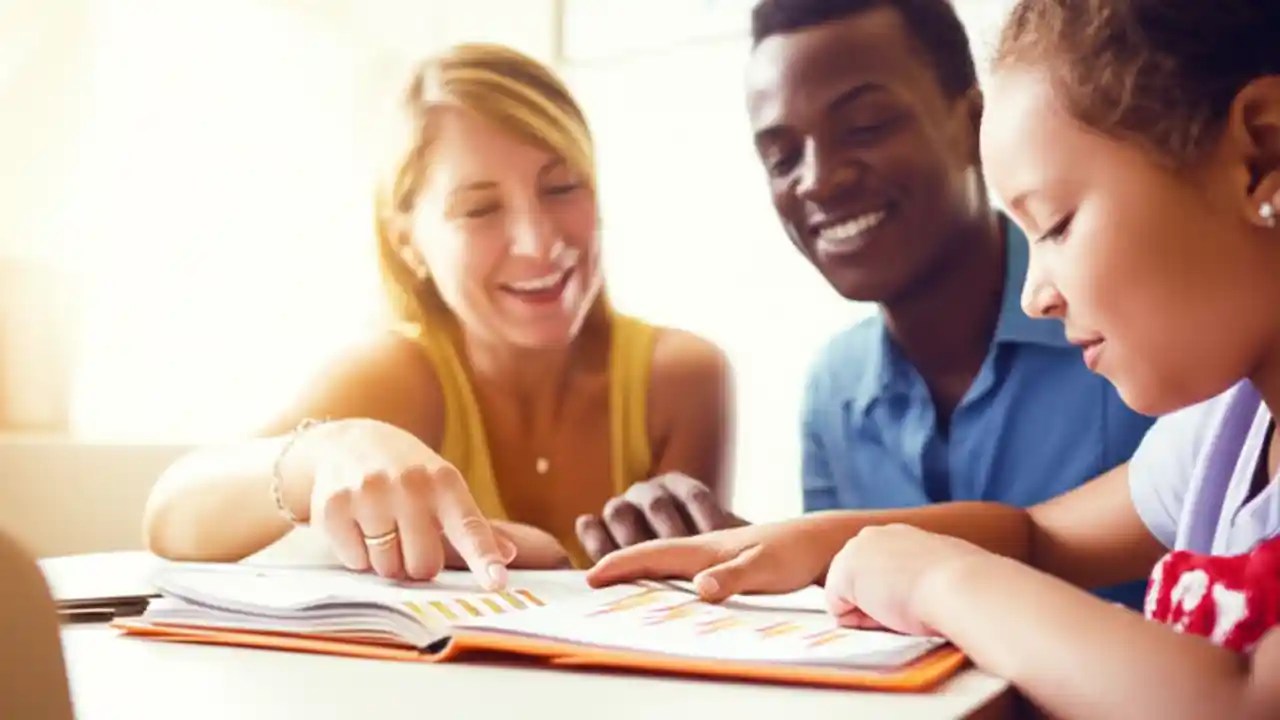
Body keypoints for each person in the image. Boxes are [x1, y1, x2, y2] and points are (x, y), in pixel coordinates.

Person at [588, 1, 1280, 716]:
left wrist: (936, 579)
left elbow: (1244, 703)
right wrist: (807, 542)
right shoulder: (1222, 435)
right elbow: (1038, 536)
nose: (1038, 293)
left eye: (1058, 224)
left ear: (1260, 154)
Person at [143, 43, 733, 584]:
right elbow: (171, 517)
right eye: (479, 210)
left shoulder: (681, 379)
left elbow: (690, 607)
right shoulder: (395, 377)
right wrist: (324, 453)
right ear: (408, 244)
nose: (538, 241)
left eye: (561, 188)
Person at [739, 0, 1153, 605]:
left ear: (975, 123)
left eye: (866, 126)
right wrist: (745, 573)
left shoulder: (1139, 332)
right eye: (782, 158)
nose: (819, 180)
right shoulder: (834, 389)